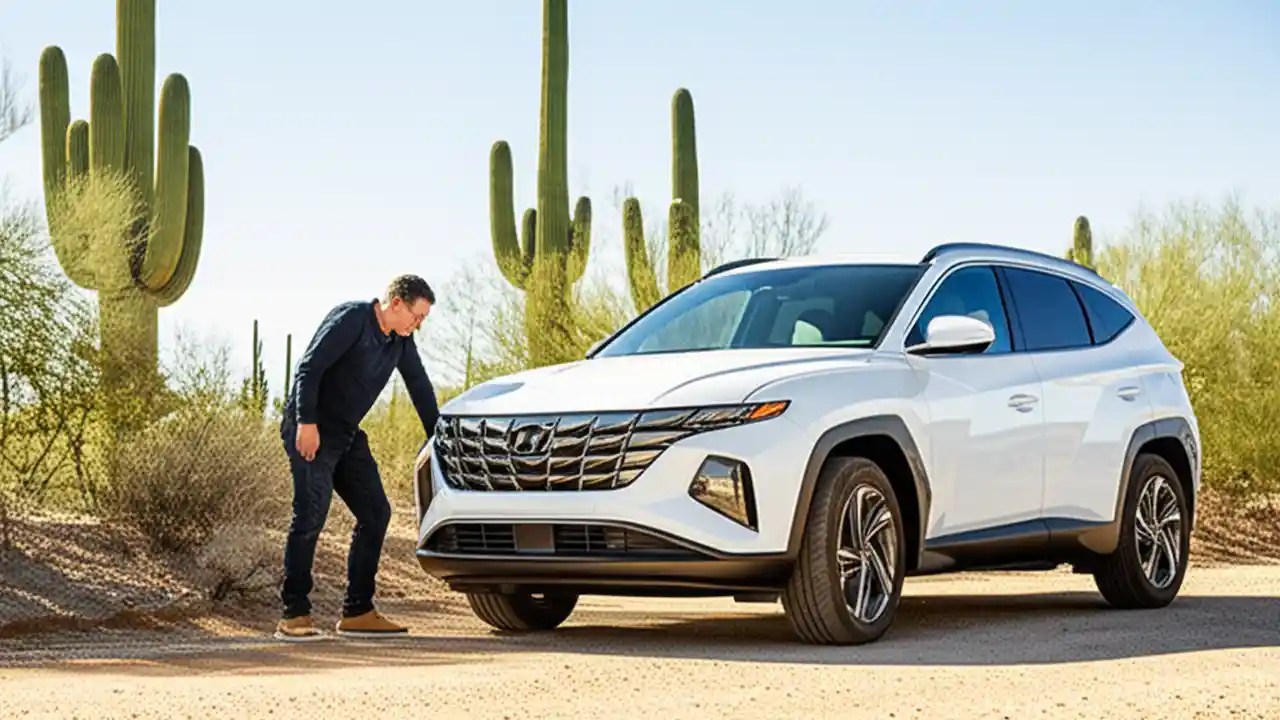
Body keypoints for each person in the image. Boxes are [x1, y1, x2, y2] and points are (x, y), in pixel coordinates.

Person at [273, 274, 440, 642]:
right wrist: (306, 421)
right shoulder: (351, 319)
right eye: (417, 315)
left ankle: (358, 611)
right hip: (311, 427)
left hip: (346, 434)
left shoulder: (400, 342)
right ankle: (294, 614)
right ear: (396, 304)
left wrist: (438, 439)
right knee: (310, 512)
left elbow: (420, 388)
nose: (419, 324)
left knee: (376, 512)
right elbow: (309, 369)